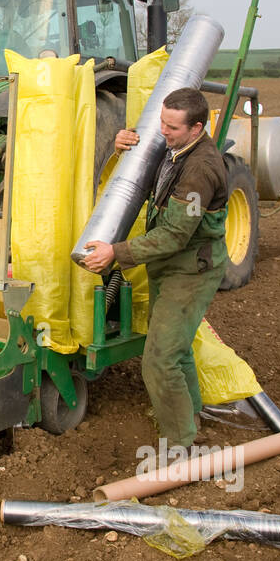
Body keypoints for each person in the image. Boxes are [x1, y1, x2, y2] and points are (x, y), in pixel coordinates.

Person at [81, 87, 228, 448]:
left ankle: (181, 445)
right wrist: (121, 147)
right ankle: (189, 415)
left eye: (172, 127)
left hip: (189, 270)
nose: (162, 130)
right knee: (175, 351)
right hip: (168, 264)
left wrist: (115, 252)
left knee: (159, 360)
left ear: (196, 128)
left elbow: (176, 235)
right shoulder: (176, 146)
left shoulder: (201, 171)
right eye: (161, 121)